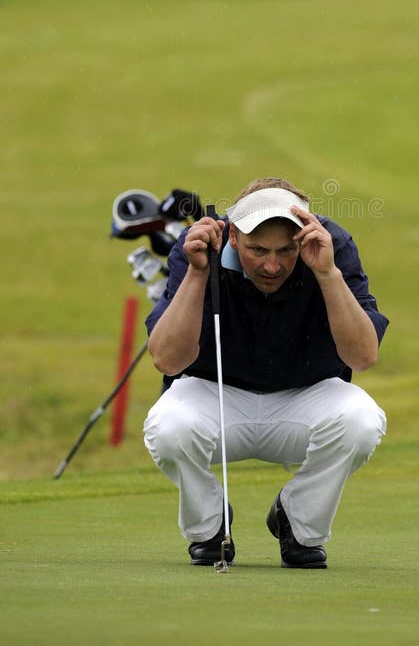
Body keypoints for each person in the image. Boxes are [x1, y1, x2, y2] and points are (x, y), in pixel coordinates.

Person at [143, 177, 389, 569]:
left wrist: (326, 273)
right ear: (234, 238)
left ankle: (298, 524)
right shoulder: (201, 245)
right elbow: (168, 361)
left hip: (307, 400)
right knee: (168, 425)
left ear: (303, 238)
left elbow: (362, 356)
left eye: (285, 251)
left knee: (361, 420)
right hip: (214, 395)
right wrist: (196, 274)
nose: (272, 265)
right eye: (258, 250)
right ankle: (209, 526)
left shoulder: (331, 246)